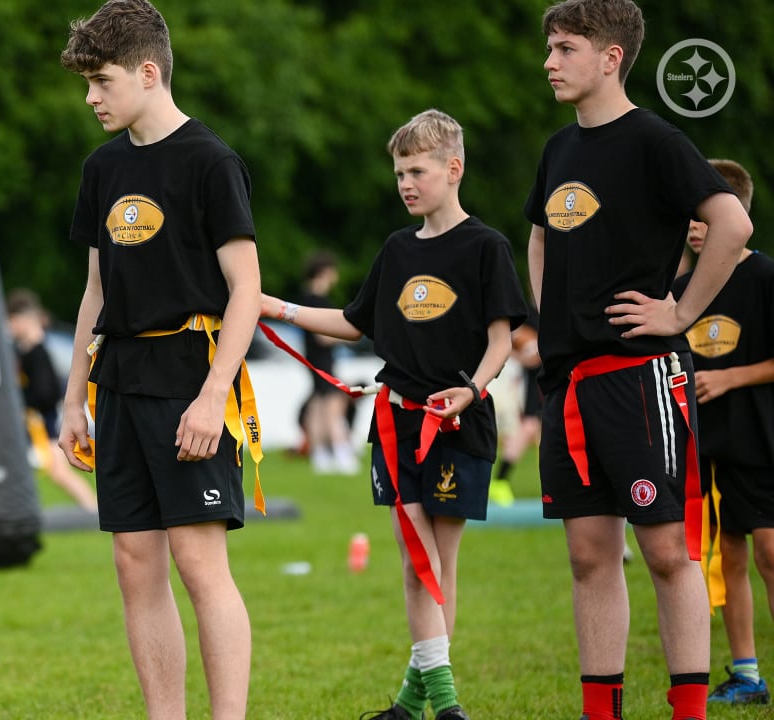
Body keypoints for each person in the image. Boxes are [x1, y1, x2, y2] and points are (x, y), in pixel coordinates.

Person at [524, 1, 753, 718]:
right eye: (550, 49)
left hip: (639, 377)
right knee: (590, 557)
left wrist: (681, 313)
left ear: (610, 57)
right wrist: (549, 316)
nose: (549, 62)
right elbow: (536, 237)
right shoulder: (559, 150)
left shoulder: (654, 141)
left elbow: (731, 221)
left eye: (564, 48)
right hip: (568, 384)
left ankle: (687, 712)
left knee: (665, 554)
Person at [264, 109, 526, 720]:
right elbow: (355, 323)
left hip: (459, 422)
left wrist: (473, 390)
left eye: (417, 171)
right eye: (399, 173)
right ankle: (446, 704)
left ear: (453, 169)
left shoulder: (487, 247)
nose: (405, 183)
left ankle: (418, 701)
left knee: (439, 563)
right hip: (396, 424)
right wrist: (277, 308)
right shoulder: (397, 249)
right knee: (416, 559)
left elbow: (500, 340)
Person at [56, 1, 262, 716]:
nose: (91, 98)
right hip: (118, 383)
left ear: (148, 73)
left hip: (191, 379)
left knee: (201, 566)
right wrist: (73, 395)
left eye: (102, 81)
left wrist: (214, 395)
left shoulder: (211, 160)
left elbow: (247, 289)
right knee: (134, 563)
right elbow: (94, 291)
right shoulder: (101, 167)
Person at [672, 159, 773, 706]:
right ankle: (747, 675)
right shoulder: (684, 290)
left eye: (701, 214)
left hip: (761, 440)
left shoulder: (765, 278)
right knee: (725, 557)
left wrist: (730, 377)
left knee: (771, 555)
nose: (692, 224)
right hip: (707, 445)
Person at [6, 287, 99, 512]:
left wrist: (24, 403)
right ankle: (91, 508)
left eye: (11, 321)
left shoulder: (38, 351)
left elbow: (46, 391)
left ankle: (92, 509)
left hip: (52, 417)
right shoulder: (31, 349)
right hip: (48, 416)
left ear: (21, 319)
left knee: (58, 470)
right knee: (55, 469)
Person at [294, 251, 359, 475]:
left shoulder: (304, 297)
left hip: (311, 359)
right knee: (332, 405)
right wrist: (349, 335)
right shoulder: (319, 300)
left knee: (317, 405)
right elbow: (323, 336)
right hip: (322, 359)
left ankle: (319, 454)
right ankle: (341, 453)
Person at [489, 305, 542, 507]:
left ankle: (501, 481)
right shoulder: (527, 313)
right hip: (538, 382)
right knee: (530, 428)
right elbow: (507, 342)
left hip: (544, 380)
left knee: (532, 429)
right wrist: (526, 358)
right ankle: (500, 481)